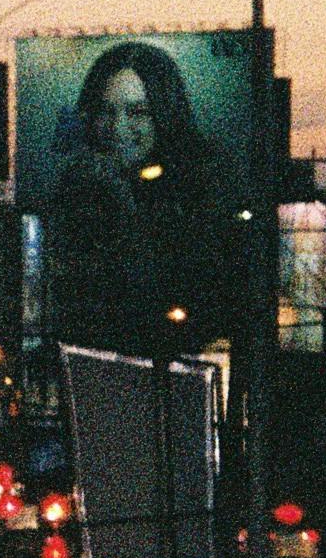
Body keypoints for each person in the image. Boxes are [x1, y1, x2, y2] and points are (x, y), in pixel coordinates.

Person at [42, 36, 235, 342]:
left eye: (137, 112)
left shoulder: (200, 192)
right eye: (106, 111)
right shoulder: (77, 187)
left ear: (165, 113)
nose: (118, 128)